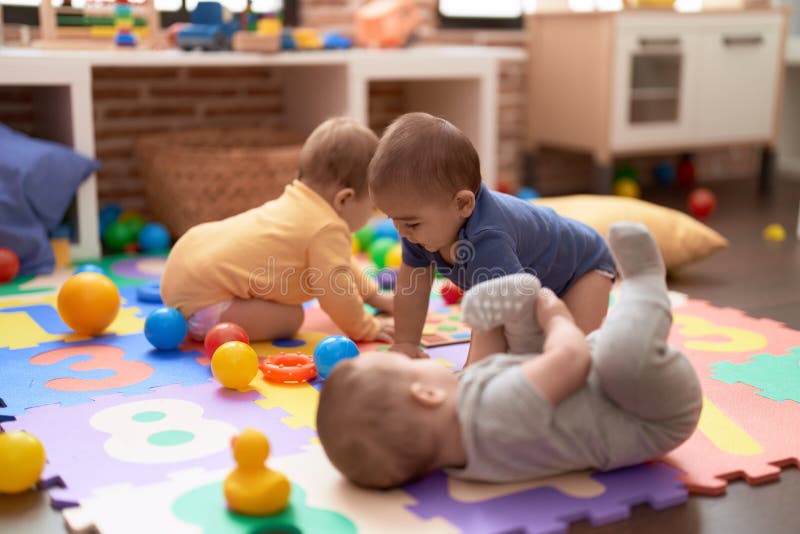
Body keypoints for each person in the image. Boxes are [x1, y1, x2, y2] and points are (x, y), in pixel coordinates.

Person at [316, 223, 702, 489]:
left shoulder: (462, 442)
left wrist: (499, 329)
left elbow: (505, 369)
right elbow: (571, 359)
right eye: (408, 364)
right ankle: (646, 284)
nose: (421, 360)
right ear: (426, 395)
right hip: (651, 409)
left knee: (522, 358)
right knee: (616, 355)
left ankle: (517, 312)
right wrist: (556, 318)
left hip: (596, 389)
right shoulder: (494, 414)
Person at [367, 112, 615, 362]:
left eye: (410, 222)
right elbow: (413, 288)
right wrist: (406, 344)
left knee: (573, 358)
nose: (401, 232)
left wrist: (474, 374)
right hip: (530, 281)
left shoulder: (488, 237)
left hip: (582, 270)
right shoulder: (418, 231)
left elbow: (495, 316)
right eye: (392, 219)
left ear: (463, 204)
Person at [161, 117, 394, 343]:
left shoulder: (299, 206)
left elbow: (341, 266)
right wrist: (366, 326)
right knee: (292, 317)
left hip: (181, 269)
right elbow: (337, 293)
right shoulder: (327, 228)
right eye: (372, 206)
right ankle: (204, 322)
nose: (373, 212)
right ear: (344, 200)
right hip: (209, 306)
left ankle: (195, 311)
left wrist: (373, 295)